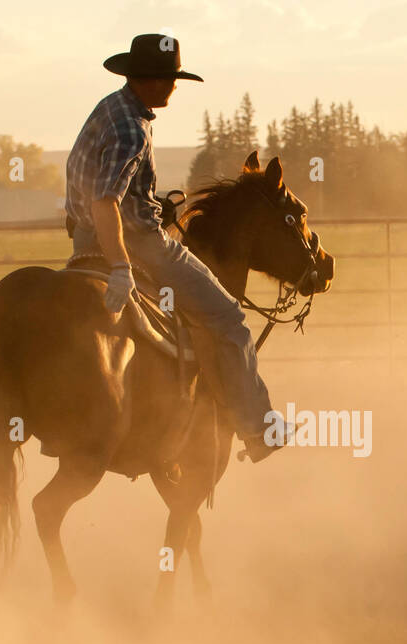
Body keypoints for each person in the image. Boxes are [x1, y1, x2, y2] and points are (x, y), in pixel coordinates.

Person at [65, 33, 285, 463]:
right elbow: (105, 199)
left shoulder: (111, 108)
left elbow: (95, 189)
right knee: (227, 317)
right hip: (136, 243)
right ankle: (258, 428)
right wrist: (120, 266)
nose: (174, 86)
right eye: (169, 78)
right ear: (147, 79)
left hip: (82, 238)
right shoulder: (132, 129)